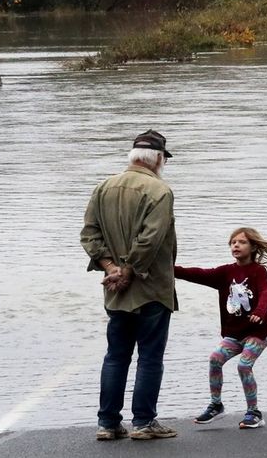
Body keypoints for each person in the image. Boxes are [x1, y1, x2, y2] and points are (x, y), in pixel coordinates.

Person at [80, 129, 179, 441]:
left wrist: (110, 267)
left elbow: (89, 234)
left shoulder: (103, 187)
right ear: (159, 159)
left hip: (116, 290)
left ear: (134, 156)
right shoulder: (159, 191)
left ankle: (108, 423)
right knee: (150, 356)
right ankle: (144, 422)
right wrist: (127, 269)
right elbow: (150, 240)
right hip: (151, 288)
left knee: (116, 355)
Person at [174, 227, 267, 430]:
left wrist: (260, 310)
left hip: (258, 333)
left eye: (242, 242)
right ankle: (216, 405)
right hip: (234, 334)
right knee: (215, 359)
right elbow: (198, 274)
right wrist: (170, 269)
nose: (236, 245)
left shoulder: (258, 271)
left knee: (244, 366)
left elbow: (265, 292)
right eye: (233, 242)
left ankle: (254, 412)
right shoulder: (225, 272)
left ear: (253, 247)